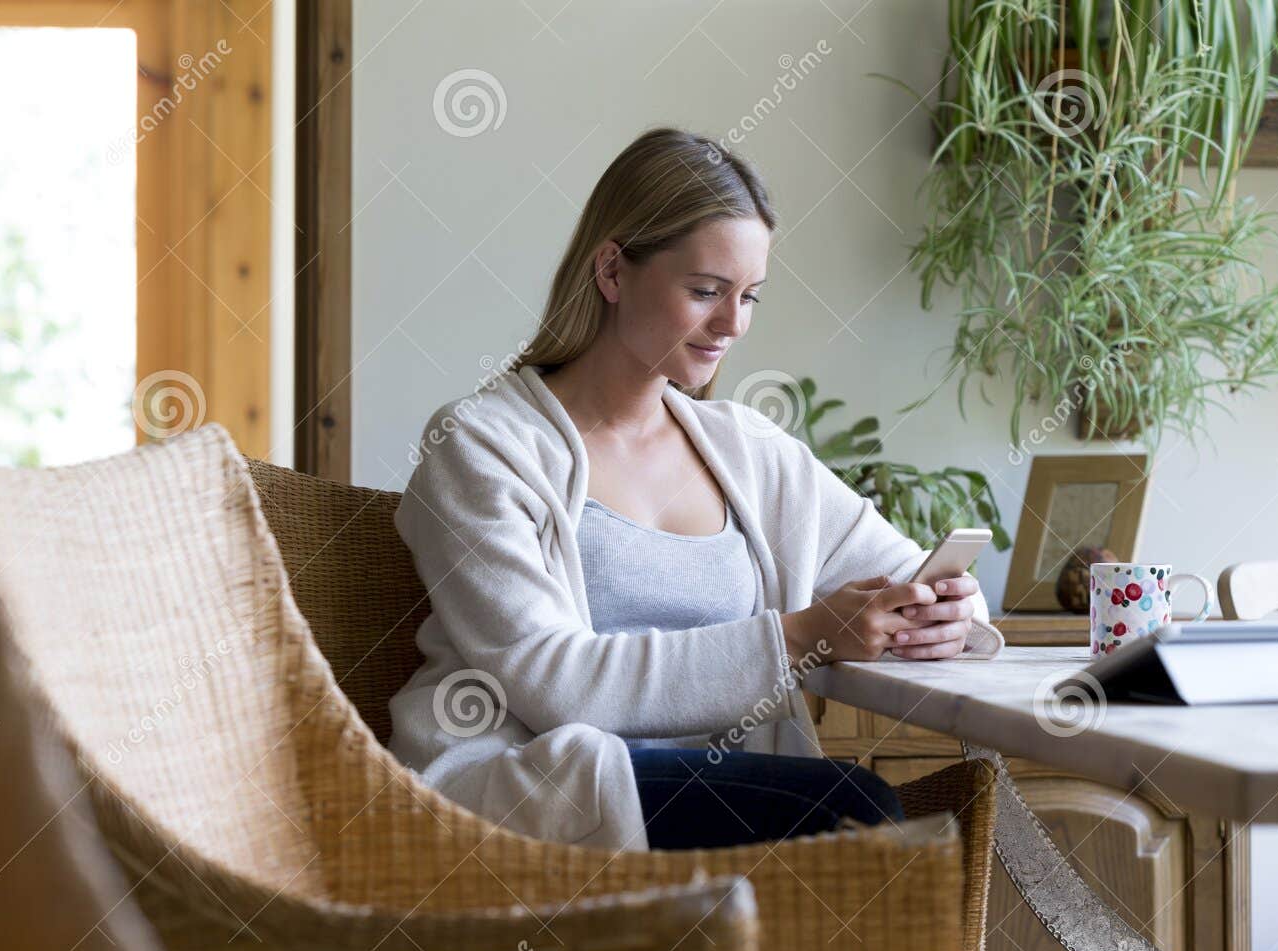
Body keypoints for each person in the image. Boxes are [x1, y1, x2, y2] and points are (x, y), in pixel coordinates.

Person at [387, 126, 1003, 852]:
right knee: (856, 815)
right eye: (706, 291)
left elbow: (908, 570)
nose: (731, 325)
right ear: (613, 271)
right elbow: (556, 683)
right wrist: (801, 636)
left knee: (897, 826)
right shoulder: (482, 445)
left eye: (750, 297)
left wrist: (947, 609)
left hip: (718, 791)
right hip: (540, 789)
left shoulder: (750, 451)